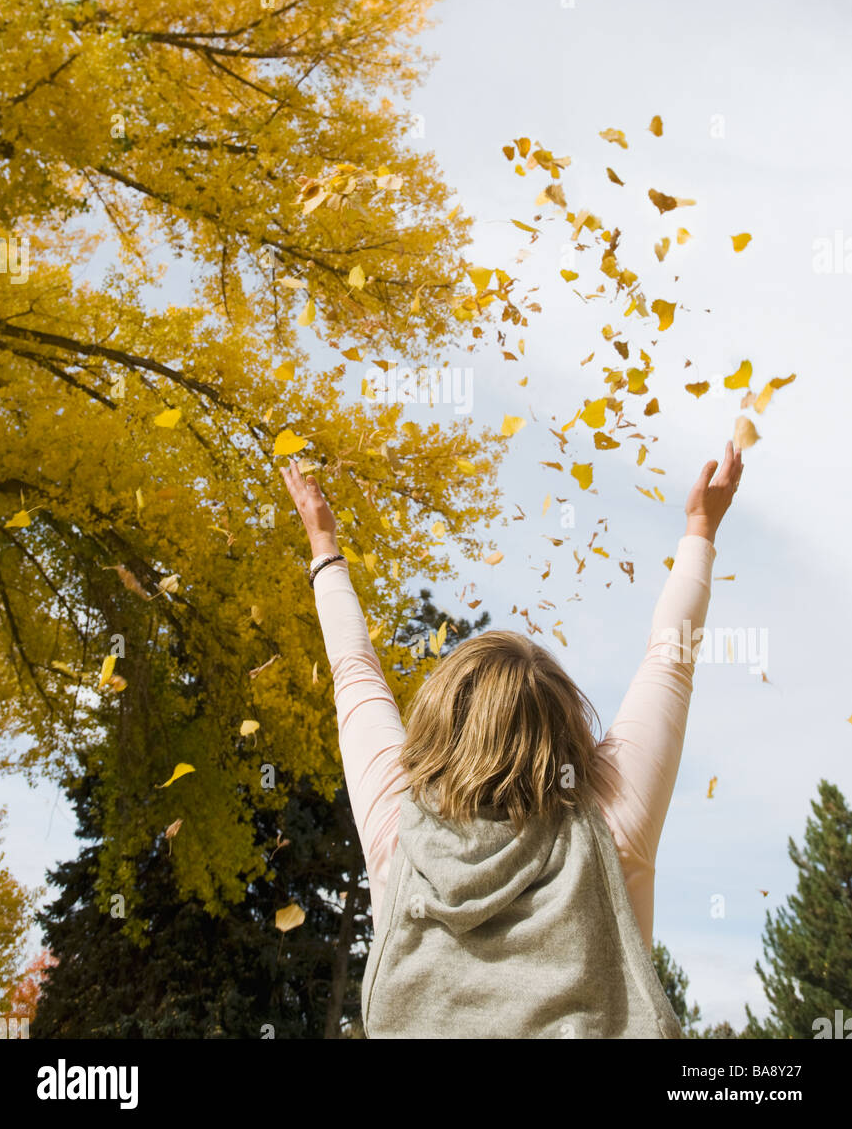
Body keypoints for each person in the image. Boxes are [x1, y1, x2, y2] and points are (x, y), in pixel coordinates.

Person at [280, 440, 743, 1039]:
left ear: (439, 722)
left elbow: (353, 670)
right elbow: (671, 660)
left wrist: (324, 547)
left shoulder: (401, 832)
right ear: (565, 727)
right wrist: (700, 528)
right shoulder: (607, 827)